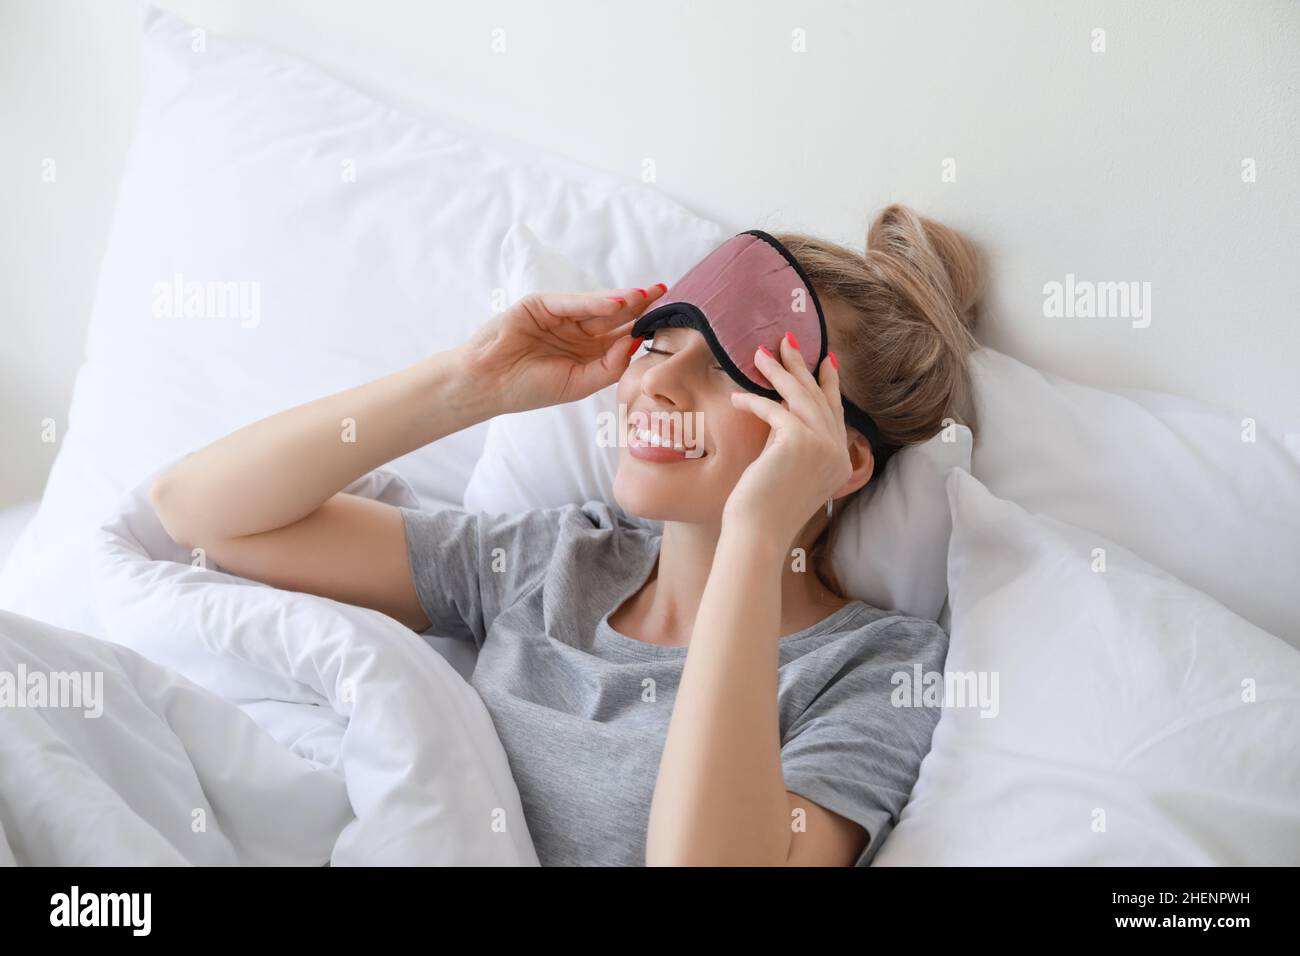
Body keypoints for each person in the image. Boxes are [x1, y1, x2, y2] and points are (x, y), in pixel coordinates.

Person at [151, 203, 984, 866]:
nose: (657, 379)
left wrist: (756, 536)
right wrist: (467, 386)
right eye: (661, 340)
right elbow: (198, 515)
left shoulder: (873, 669)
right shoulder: (558, 562)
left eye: (735, 369)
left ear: (841, 460)